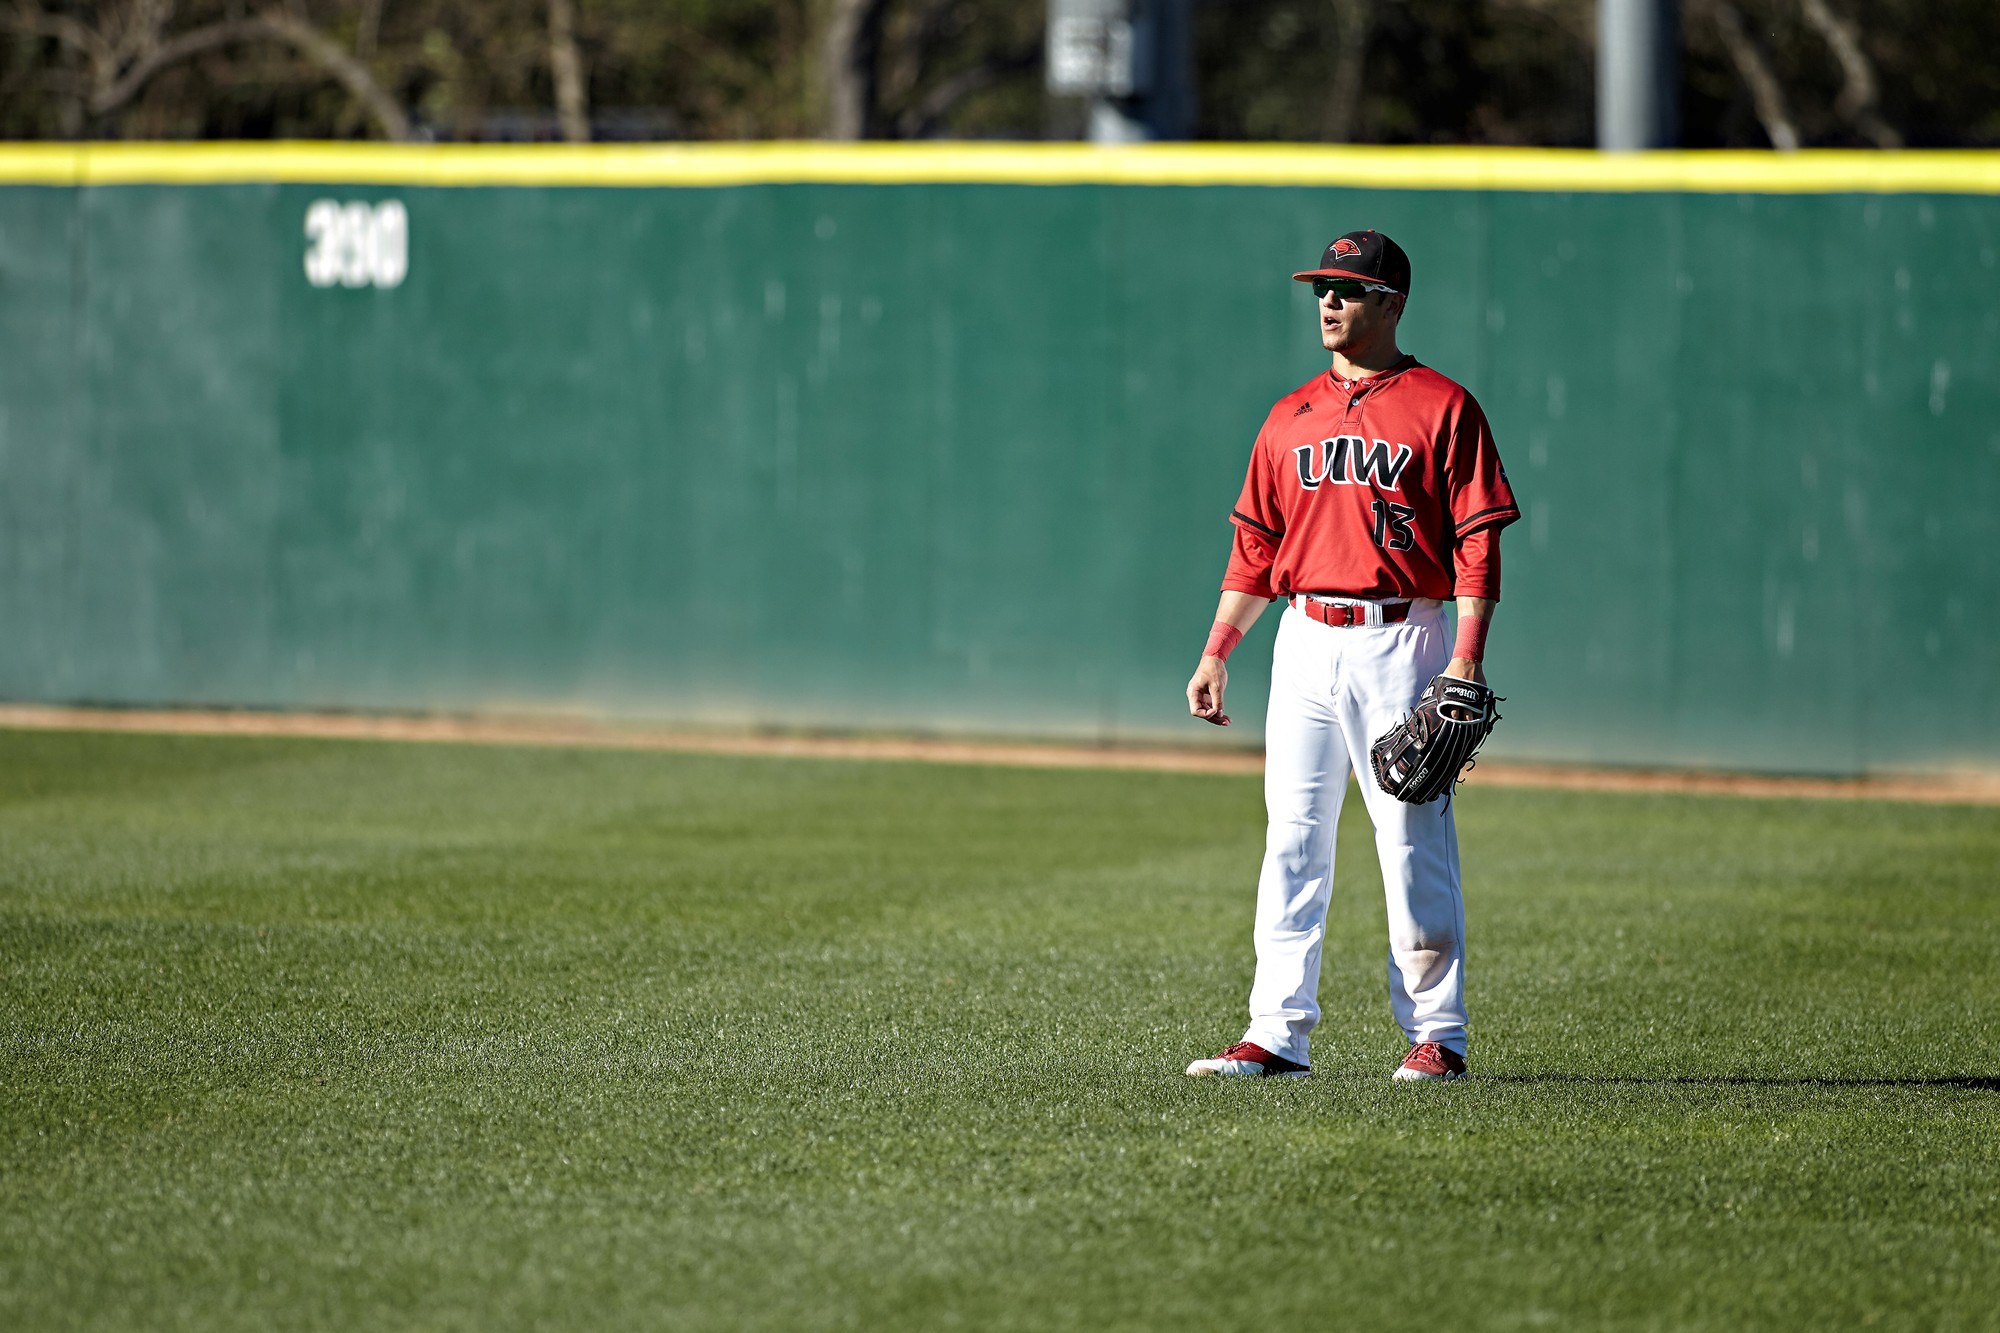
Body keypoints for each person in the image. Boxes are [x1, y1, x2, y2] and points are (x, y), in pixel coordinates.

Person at [1183, 230, 1519, 1083]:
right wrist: (1220, 648)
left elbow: (1478, 541)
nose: (1329, 303)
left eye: (1349, 289)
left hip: (1404, 637)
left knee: (1410, 838)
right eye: (1322, 289)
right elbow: (1255, 547)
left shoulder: (1444, 406)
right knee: (1292, 841)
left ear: (1392, 304)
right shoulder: (1288, 415)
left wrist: (1466, 660)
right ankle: (1277, 1032)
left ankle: (1439, 1034)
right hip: (1302, 640)